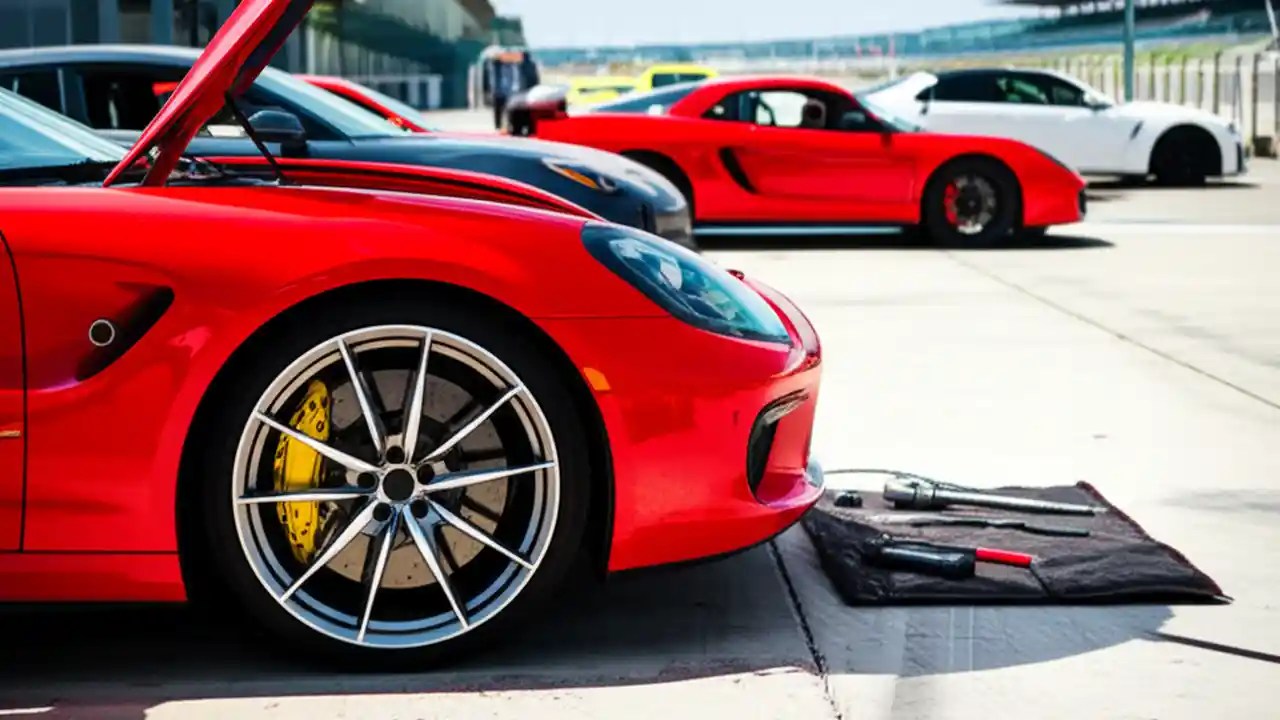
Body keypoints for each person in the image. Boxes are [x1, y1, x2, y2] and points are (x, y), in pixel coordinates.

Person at [485, 48, 540, 130]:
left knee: (513, 111)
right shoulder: (497, 65)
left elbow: (531, 78)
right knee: (503, 110)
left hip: (515, 92)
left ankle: (511, 126)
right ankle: (502, 126)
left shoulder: (521, 65)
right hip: (503, 91)